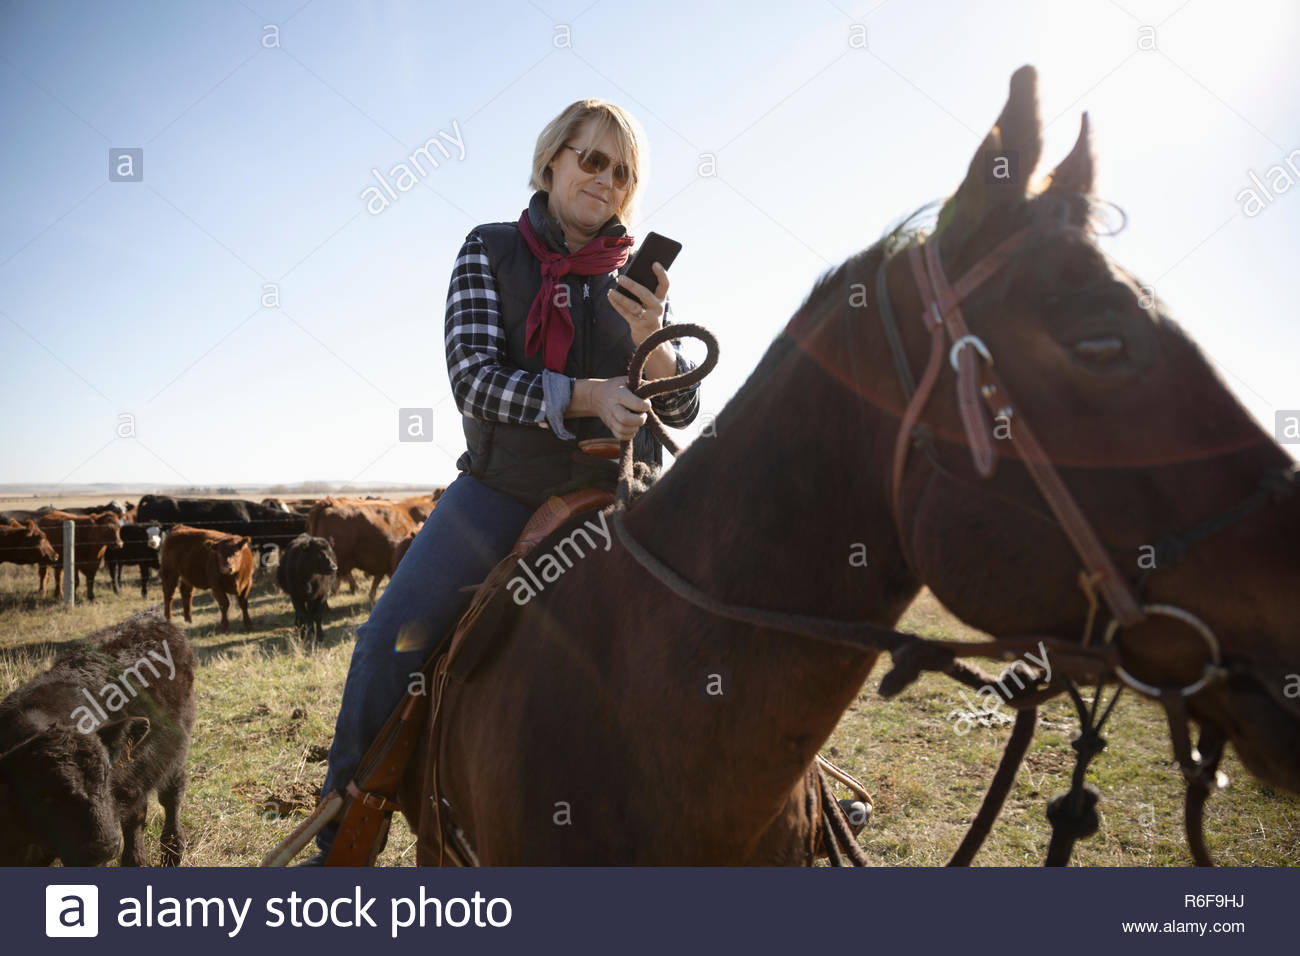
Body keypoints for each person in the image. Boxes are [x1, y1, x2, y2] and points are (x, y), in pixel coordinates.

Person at [301, 99, 701, 863]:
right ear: (551, 160)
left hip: (628, 494)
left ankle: (800, 797)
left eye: (623, 172)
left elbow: (681, 402)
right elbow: (474, 380)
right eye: (591, 160)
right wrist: (586, 396)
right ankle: (343, 833)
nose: (606, 180)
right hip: (505, 488)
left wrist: (653, 343)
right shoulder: (488, 250)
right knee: (390, 637)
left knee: (734, 608)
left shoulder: (640, 274)